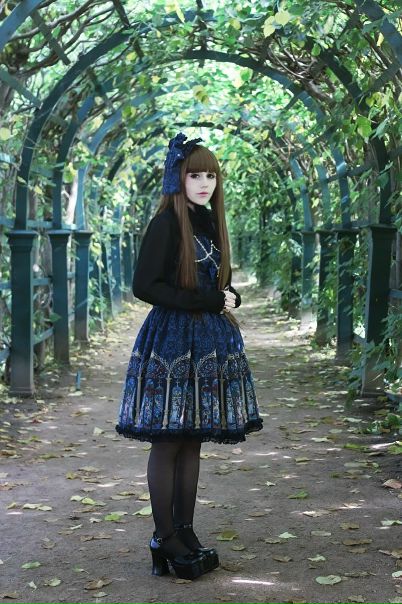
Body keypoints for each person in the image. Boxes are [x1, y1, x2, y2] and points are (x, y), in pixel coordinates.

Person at [115, 132, 263, 580]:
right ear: (177, 177)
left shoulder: (208, 221)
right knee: (168, 440)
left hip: (207, 343)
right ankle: (163, 538)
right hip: (172, 341)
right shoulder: (165, 223)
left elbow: (208, 279)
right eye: (194, 175)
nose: (204, 184)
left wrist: (227, 294)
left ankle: (185, 531)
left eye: (210, 176)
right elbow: (145, 286)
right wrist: (204, 300)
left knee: (193, 438)